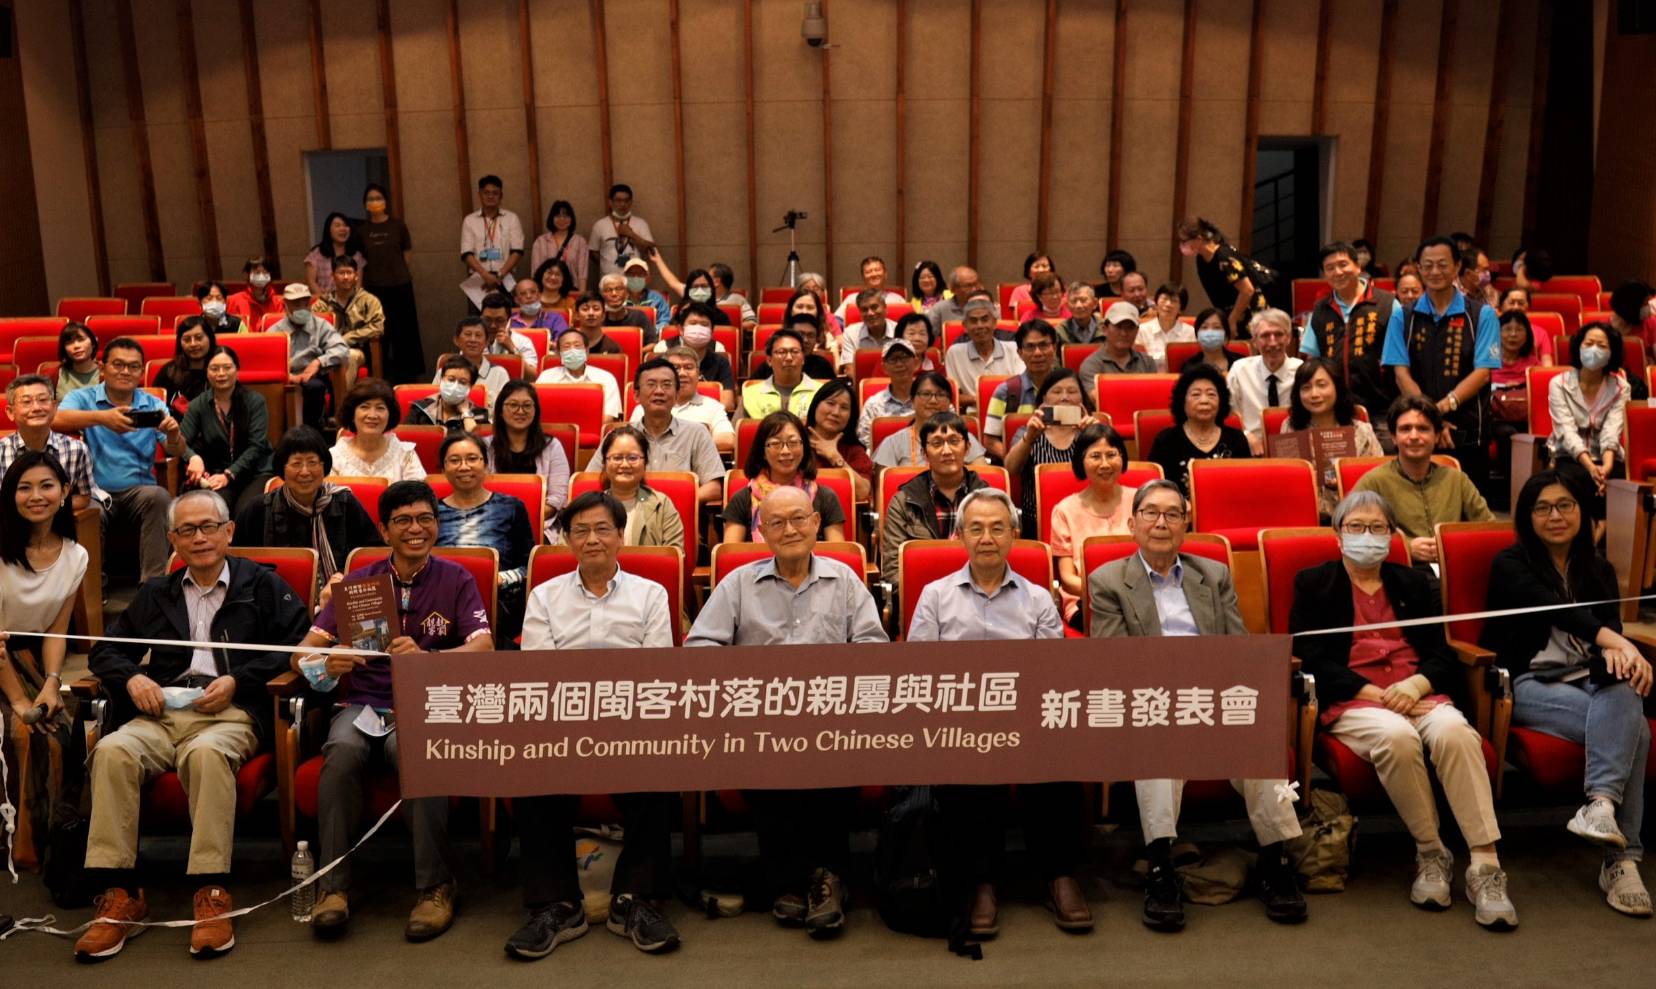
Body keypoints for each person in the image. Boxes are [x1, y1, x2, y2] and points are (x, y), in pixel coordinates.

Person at [74, 489, 310, 961]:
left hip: (229, 712)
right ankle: (121, 893)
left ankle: (211, 891)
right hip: (162, 712)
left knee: (205, 755)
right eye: (187, 530)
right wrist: (134, 676)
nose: (199, 538)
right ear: (172, 540)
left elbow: (298, 645)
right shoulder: (157, 593)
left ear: (229, 532)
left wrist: (237, 681)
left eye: (208, 527)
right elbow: (105, 650)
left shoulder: (262, 585)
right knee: (112, 750)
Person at [1290, 490, 1517, 929]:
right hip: (1356, 701)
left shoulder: (1414, 582)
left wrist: (1416, 684)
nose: (1366, 536)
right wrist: (1375, 692)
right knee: (1397, 738)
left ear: (1392, 536)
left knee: (1456, 733)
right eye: (1355, 527)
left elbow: (1443, 651)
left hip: (1419, 692)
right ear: (1338, 536)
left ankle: (1485, 865)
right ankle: (1431, 853)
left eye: (1377, 528)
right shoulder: (1314, 582)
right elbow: (1310, 654)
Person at [1088, 479, 1307, 931]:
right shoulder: (1108, 580)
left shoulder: (1214, 574)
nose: (1161, 522)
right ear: (1132, 523)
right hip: (1153, 702)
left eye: (1172, 513)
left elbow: (1238, 646)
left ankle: (1274, 861)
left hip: (1214, 697)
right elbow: (1112, 660)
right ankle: (1161, 868)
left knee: (1259, 741)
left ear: (1187, 524)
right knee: (1158, 747)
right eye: (1151, 513)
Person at [686, 484, 888, 938]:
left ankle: (816, 878)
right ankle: (806, 878)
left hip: (833, 717)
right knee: (768, 760)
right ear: (761, 531)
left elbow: (874, 648)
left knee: (835, 758)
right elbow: (700, 647)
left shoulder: (845, 581)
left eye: (799, 519)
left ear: (817, 524)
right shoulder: (738, 583)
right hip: (761, 721)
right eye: (776, 522)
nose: (790, 529)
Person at [299, 481, 493, 940]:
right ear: (384, 529)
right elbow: (300, 654)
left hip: (426, 705)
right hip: (362, 703)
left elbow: (483, 647)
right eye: (403, 520)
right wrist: (329, 661)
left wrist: (429, 662)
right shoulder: (360, 582)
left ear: (437, 526)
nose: (416, 529)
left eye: (425, 519)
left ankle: (435, 886)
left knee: (417, 753)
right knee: (341, 751)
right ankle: (333, 887)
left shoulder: (456, 579)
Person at [507, 490, 680, 960]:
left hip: (632, 724)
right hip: (564, 726)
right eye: (580, 530)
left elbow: (657, 673)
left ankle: (636, 901)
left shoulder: (651, 594)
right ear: (566, 540)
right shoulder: (545, 596)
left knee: (659, 769)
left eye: (603, 528)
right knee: (533, 770)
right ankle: (557, 904)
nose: (592, 539)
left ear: (621, 536)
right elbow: (540, 676)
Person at [907, 488, 1088, 934]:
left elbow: (1053, 671)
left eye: (997, 528)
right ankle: (981, 880)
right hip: (960, 718)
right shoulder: (935, 595)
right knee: (972, 757)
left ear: (1013, 535)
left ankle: (1059, 874)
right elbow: (919, 669)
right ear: (960, 537)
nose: (987, 537)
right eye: (976, 529)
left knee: (1056, 754)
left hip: (1025, 714)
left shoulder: (1038, 598)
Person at [1482, 470, 1652, 917]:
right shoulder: (1511, 564)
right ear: (1527, 516)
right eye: (1543, 507)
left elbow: (1609, 639)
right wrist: (1616, 643)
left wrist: (1625, 657)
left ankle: (1599, 807)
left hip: (1588, 679)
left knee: (1626, 690)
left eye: (1565, 505)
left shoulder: (1599, 569)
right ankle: (1623, 860)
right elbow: (1560, 611)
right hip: (1529, 683)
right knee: (1638, 733)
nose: (1555, 516)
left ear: (1583, 511)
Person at [0, 452, 88, 839]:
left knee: (58, 734)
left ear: (65, 491)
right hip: (2, 660)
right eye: (24, 488)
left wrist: (52, 681)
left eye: (47, 485)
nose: (36, 496)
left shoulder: (75, 555)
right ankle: (11, 840)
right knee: (17, 731)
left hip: (30, 660)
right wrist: (20, 702)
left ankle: (47, 839)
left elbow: (57, 628)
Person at [56, 337, 190, 579]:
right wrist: (102, 418)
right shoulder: (83, 397)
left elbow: (176, 451)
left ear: (141, 371)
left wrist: (173, 434)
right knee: (89, 511)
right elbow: (55, 420)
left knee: (159, 496)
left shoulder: (152, 403)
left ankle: (153, 585)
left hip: (139, 490)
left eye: (133, 366)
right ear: (102, 367)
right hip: (95, 491)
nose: (125, 371)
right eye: (118, 364)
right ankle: (95, 588)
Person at [1382, 236, 1501, 488]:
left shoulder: (1482, 314)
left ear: (1457, 267)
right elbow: (1401, 374)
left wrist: (1441, 409)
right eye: (1428, 265)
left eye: (1443, 264)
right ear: (1419, 268)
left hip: (1468, 429)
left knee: (1468, 514)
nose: (1435, 271)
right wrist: (1431, 419)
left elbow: (1482, 373)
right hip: (1419, 430)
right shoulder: (1402, 316)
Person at [234, 426, 383, 606]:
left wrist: (344, 577)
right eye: (296, 463)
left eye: (312, 462)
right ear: (282, 468)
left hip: (340, 601)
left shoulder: (345, 503)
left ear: (324, 466)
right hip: (277, 606)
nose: (305, 472)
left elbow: (373, 556)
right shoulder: (258, 510)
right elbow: (239, 566)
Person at [1352, 396, 1494, 571]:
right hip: (1400, 571)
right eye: (1405, 429)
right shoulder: (1374, 481)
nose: (1414, 436)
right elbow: (1351, 535)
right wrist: (1405, 547)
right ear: (1393, 437)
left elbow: (1490, 529)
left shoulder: (1456, 479)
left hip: (1454, 569)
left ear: (1436, 436)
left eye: (1423, 429)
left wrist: (1450, 544)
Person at [435, 431, 532, 642]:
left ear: (486, 464)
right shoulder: (430, 513)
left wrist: (500, 579)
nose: (464, 467)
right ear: (443, 469)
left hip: (499, 603)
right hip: (441, 604)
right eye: (454, 460)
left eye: (472, 459)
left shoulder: (512, 507)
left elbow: (530, 566)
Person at [1301, 242, 1400, 447]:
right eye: (1330, 268)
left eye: (1343, 264)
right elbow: (1312, 360)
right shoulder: (1321, 310)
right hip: (1337, 412)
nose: (1337, 272)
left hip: (1382, 407)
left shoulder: (1388, 304)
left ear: (1357, 266)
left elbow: (1402, 358)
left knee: (1380, 466)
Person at [879, 411, 992, 588]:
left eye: (954, 441)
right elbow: (893, 569)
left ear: (968, 448)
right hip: (923, 598)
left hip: (979, 595)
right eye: (937, 443)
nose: (946, 451)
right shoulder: (903, 502)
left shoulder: (990, 499)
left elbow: (1000, 557)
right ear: (924, 453)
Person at [1050, 423, 1135, 631]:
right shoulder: (1064, 510)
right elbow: (1068, 580)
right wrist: (1113, 594)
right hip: (1085, 602)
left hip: (1138, 596)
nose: (1105, 464)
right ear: (1081, 461)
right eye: (1095, 456)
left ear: (1122, 457)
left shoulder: (1141, 502)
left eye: (1112, 455)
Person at [1548, 322, 1631, 525]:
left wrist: (1606, 467)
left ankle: (1602, 533)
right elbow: (1566, 431)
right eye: (1589, 343)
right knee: (1579, 478)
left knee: (1621, 482)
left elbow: (1612, 430)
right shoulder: (1559, 383)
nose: (1594, 350)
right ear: (1579, 347)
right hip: (1569, 455)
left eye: (1602, 346)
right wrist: (1591, 467)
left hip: (1606, 456)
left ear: (1612, 353)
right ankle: (1591, 531)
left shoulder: (1621, 387)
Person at [611, 358, 726, 503]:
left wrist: (668, 507)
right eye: (651, 384)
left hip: (679, 517)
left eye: (666, 385)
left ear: (677, 395)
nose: (659, 391)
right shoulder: (619, 436)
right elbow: (591, 481)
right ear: (636, 395)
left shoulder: (697, 433)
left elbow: (714, 488)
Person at [723, 411, 846, 544]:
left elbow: (836, 554)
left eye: (793, 442)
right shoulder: (742, 500)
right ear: (763, 451)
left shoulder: (825, 498)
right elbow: (731, 556)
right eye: (776, 444)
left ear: (804, 447)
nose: (786, 451)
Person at [1281, 357, 1383, 518]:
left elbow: (1378, 478)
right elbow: (1285, 480)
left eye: (1322, 385)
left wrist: (1344, 482)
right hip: (1304, 516)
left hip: (1355, 514)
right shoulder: (1290, 428)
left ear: (1338, 387)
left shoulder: (1361, 431)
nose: (1314, 394)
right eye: (1306, 388)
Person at [179, 345, 273, 518]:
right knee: (214, 509)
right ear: (207, 372)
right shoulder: (198, 405)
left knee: (246, 511)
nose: (221, 373)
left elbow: (257, 446)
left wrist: (230, 474)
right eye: (214, 368)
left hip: (255, 471)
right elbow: (180, 442)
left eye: (227, 368)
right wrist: (193, 457)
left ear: (237, 371)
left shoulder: (255, 401)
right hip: (218, 472)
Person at [1004, 369, 1099, 534]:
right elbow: (1011, 468)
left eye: (1072, 391)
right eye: (1056, 391)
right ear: (1043, 399)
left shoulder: (1094, 431)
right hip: (1036, 522)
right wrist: (1029, 438)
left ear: (1082, 399)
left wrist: (1096, 437)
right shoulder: (1028, 431)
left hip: (1087, 518)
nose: (1064, 397)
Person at [1147, 362, 1251, 495]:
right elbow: (1153, 489)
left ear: (1221, 401)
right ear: (1182, 402)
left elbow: (1246, 486)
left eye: (1211, 394)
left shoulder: (1236, 439)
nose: (1204, 400)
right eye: (1196, 394)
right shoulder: (1166, 440)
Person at [357, 183, 424, 383]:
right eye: (370, 199)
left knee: (405, 336)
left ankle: (408, 380)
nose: (375, 202)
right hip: (373, 289)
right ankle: (380, 379)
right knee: (378, 337)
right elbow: (359, 261)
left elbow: (407, 255)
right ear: (365, 204)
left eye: (379, 198)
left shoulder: (398, 226)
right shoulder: (361, 231)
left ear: (386, 202)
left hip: (400, 286)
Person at [577, 425, 685, 550]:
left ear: (645, 463)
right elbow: (566, 552)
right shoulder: (586, 507)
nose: (625, 464)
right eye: (617, 458)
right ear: (604, 463)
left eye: (633, 458)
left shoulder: (662, 505)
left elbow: (674, 558)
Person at [0, 374, 97, 512]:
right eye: (26, 402)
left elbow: (84, 497)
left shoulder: (77, 449)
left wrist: (48, 508)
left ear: (54, 407)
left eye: (43, 400)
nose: (36, 408)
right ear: (10, 412)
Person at [486, 381, 571, 536]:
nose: (520, 411)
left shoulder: (552, 446)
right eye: (513, 405)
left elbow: (556, 499)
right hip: (491, 524)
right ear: (500, 410)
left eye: (527, 406)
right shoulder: (485, 447)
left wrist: (521, 520)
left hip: (539, 526)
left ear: (535, 410)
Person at [871, 372, 990, 468]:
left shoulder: (963, 438)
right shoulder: (893, 443)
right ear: (912, 401)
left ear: (949, 402)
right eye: (926, 394)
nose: (933, 401)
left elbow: (984, 480)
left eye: (940, 395)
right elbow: (883, 491)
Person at [635, 346, 737, 455]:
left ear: (698, 375)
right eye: (676, 368)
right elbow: (632, 442)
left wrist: (684, 446)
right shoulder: (644, 407)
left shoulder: (713, 406)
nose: (682, 374)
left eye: (688, 367)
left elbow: (728, 440)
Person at [1227, 308, 1303, 454]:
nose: (1273, 342)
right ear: (1254, 341)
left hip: (1295, 447)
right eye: (1265, 336)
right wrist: (1246, 435)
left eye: (1279, 334)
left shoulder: (1302, 371)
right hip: (1249, 447)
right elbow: (1229, 414)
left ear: (1288, 338)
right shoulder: (1240, 370)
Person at [273, 282, 348, 427]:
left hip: (313, 377)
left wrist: (319, 362)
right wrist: (288, 376)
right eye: (296, 304)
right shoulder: (274, 331)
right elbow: (267, 363)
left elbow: (342, 349)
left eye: (305, 303)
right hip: (284, 377)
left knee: (315, 386)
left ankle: (313, 430)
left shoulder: (320, 325)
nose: (302, 308)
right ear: (285, 305)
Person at [1176, 216, 1270, 332]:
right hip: (1231, 315)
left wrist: (1232, 319)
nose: (1182, 245)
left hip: (1252, 315)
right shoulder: (1201, 260)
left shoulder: (1224, 257)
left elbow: (1247, 290)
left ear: (1198, 239)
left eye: (1184, 241)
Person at [983, 320, 1060, 460]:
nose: (1037, 353)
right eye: (1030, 347)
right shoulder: (1006, 391)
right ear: (1019, 353)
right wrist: (1016, 459)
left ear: (1054, 348)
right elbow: (990, 441)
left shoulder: (1069, 388)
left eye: (1043, 345)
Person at [330, 379, 426, 482]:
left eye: (380, 408)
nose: (372, 415)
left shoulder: (405, 454)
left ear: (390, 415)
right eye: (364, 407)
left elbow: (418, 495)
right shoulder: (335, 457)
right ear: (352, 414)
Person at [944, 294, 1024, 416]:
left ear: (995, 323)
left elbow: (1022, 387)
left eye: (985, 319)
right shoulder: (954, 353)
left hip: (1009, 413)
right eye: (973, 321)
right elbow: (953, 395)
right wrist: (981, 400)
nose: (980, 326)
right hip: (973, 415)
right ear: (965, 327)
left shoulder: (1014, 349)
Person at [1491, 310, 1542, 493]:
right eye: (1507, 329)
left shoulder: (1534, 363)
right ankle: (1513, 488)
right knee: (1508, 433)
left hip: (1525, 419)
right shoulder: (1487, 361)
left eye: (1519, 330)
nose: (1513, 335)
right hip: (1495, 418)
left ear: (1527, 334)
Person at [652, 302, 736, 411]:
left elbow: (728, 403)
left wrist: (697, 416)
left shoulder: (721, 362)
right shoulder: (661, 361)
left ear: (711, 332)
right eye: (693, 323)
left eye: (704, 324)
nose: (698, 329)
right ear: (681, 330)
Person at [314, 254, 385, 382]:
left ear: (356, 275)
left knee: (348, 356)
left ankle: (344, 401)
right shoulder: (323, 303)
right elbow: (312, 326)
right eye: (341, 273)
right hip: (328, 350)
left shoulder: (368, 300)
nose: (346, 277)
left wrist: (348, 338)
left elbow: (377, 327)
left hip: (357, 350)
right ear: (333, 276)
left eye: (349, 273)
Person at [804, 378, 873, 501]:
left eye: (844, 408)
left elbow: (862, 493)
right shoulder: (795, 442)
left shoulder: (854, 451)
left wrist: (835, 457)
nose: (836, 412)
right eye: (830, 403)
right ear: (815, 404)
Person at [537, 326, 623, 421]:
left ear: (586, 351)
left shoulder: (606, 378)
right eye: (566, 346)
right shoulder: (546, 378)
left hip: (594, 432)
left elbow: (609, 416)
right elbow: (538, 413)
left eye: (577, 346)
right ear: (558, 353)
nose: (572, 350)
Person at [459, 173, 524, 299]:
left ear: (501, 195)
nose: (490, 196)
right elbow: (466, 253)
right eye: (486, 192)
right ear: (479, 194)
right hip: (478, 280)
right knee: (478, 318)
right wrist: (485, 276)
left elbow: (517, 251)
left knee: (507, 316)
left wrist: (499, 276)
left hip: (505, 278)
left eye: (495, 193)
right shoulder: (469, 220)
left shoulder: (512, 218)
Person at [1079, 302, 1158, 403]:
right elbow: (1100, 400)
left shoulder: (1147, 362)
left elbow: (1154, 398)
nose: (1124, 333)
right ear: (1104, 329)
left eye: (1130, 327)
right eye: (1118, 327)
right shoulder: (1091, 365)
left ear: (1137, 331)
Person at [740, 328, 824, 419]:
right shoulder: (751, 394)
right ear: (769, 360)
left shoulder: (821, 392)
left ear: (803, 358)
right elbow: (738, 430)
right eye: (782, 352)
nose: (789, 358)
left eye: (795, 352)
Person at [436, 314, 512, 411]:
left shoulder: (499, 373)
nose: (473, 340)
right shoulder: (444, 372)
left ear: (487, 342)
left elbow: (505, 409)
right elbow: (435, 404)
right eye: (468, 334)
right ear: (456, 340)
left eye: (478, 335)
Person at [859, 336, 921, 447]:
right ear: (884, 368)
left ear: (916, 363)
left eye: (904, 358)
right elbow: (867, 443)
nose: (899, 364)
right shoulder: (873, 404)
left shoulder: (932, 397)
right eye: (893, 359)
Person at [589, 183, 657, 278]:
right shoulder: (600, 225)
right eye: (618, 200)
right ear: (610, 202)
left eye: (626, 200)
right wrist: (607, 263)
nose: (623, 204)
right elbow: (593, 252)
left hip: (634, 279)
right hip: (609, 280)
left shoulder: (640, 223)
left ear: (631, 202)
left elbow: (651, 250)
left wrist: (631, 234)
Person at [154, 315, 216, 416]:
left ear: (210, 338)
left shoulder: (221, 369)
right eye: (187, 340)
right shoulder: (169, 371)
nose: (193, 344)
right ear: (180, 343)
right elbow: (155, 406)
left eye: (199, 338)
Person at [410, 356, 489, 431]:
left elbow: (479, 442)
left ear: (470, 387)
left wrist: (466, 413)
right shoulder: (420, 409)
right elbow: (406, 439)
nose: (455, 386)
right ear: (441, 379)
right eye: (451, 379)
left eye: (462, 382)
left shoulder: (479, 414)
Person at [529, 199, 590, 291]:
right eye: (558, 216)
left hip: (571, 291)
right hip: (546, 291)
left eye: (566, 216)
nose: (562, 219)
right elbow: (535, 272)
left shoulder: (580, 242)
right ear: (551, 218)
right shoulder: (541, 241)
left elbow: (582, 274)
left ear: (571, 218)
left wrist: (581, 296)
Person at [304, 211, 365, 299]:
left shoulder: (356, 255)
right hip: (323, 303)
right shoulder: (316, 253)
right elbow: (311, 282)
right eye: (337, 225)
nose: (342, 229)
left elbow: (358, 284)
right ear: (328, 230)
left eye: (345, 225)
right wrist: (325, 300)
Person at [838, 288, 899, 374]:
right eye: (864, 309)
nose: (870, 313)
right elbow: (851, 370)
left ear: (885, 308)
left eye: (874, 307)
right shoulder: (851, 333)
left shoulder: (899, 330)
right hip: (861, 385)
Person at [499, 278, 552, 374]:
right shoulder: (507, 321)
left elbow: (563, 344)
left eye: (533, 292)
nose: (529, 296)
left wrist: (550, 344)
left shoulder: (555, 318)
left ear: (539, 295)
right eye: (523, 293)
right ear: (516, 299)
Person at [1136, 283, 1194, 371]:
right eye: (1164, 299)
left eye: (1174, 301)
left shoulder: (1190, 332)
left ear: (1181, 308)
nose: (1168, 304)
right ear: (1156, 303)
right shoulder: (1142, 330)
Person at [480, 288, 538, 375]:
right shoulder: (473, 341)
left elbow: (532, 376)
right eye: (487, 320)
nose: (493, 325)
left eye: (499, 320)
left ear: (509, 321)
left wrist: (512, 350)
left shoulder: (523, 342)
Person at [833, 255, 906, 323]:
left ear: (885, 274)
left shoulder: (897, 299)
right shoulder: (852, 299)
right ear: (863, 277)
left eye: (877, 270)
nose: (874, 274)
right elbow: (837, 321)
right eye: (868, 272)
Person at [1174, 307, 1239, 373]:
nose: (1210, 332)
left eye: (1216, 327)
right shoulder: (1190, 368)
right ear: (1197, 336)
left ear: (1226, 336)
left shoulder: (1240, 363)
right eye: (1204, 327)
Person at [225, 256, 284, 327]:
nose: (261, 276)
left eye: (265, 272)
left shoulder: (278, 302)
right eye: (257, 272)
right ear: (248, 275)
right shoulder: (234, 301)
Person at [600, 272, 658, 342]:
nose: (614, 294)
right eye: (609, 290)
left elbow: (653, 343)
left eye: (618, 289)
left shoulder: (639, 316)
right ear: (602, 295)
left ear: (627, 293)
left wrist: (636, 352)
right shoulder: (598, 319)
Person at [622, 256, 672, 337]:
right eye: (631, 274)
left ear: (648, 278)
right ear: (624, 277)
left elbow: (665, 321)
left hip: (653, 338)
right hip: (625, 337)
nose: (636, 277)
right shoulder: (619, 299)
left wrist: (646, 333)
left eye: (640, 274)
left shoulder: (657, 298)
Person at [926, 265, 984, 332]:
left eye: (976, 284)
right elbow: (928, 336)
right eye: (968, 286)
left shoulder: (987, 306)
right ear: (953, 289)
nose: (974, 289)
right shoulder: (940, 309)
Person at [565, 291, 625, 356]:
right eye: (585, 309)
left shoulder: (612, 349)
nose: (591, 313)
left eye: (596, 309)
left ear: (603, 316)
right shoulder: (567, 345)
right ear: (577, 315)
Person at [54, 321, 101, 399]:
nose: (76, 346)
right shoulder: (56, 374)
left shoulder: (106, 373)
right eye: (69, 342)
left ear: (93, 343)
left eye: (81, 340)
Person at [1005, 252, 1054, 317]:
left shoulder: (1059, 290)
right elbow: (1018, 319)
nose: (1041, 270)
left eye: (1044, 266)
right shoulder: (1019, 291)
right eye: (1036, 267)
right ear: (1028, 272)